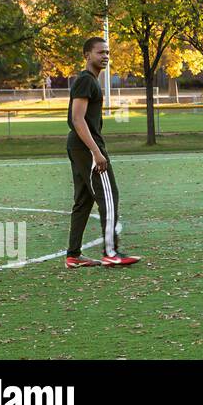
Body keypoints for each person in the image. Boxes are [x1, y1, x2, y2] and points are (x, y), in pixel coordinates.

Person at [65, 37, 141, 268]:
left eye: (107, 52)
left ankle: (73, 255)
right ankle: (111, 252)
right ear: (87, 55)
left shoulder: (89, 81)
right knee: (109, 197)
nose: (105, 56)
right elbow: (77, 119)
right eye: (100, 52)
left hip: (80, 146)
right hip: (86, 147)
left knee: (83, 201)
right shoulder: (86, 81)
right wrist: (96, 152)